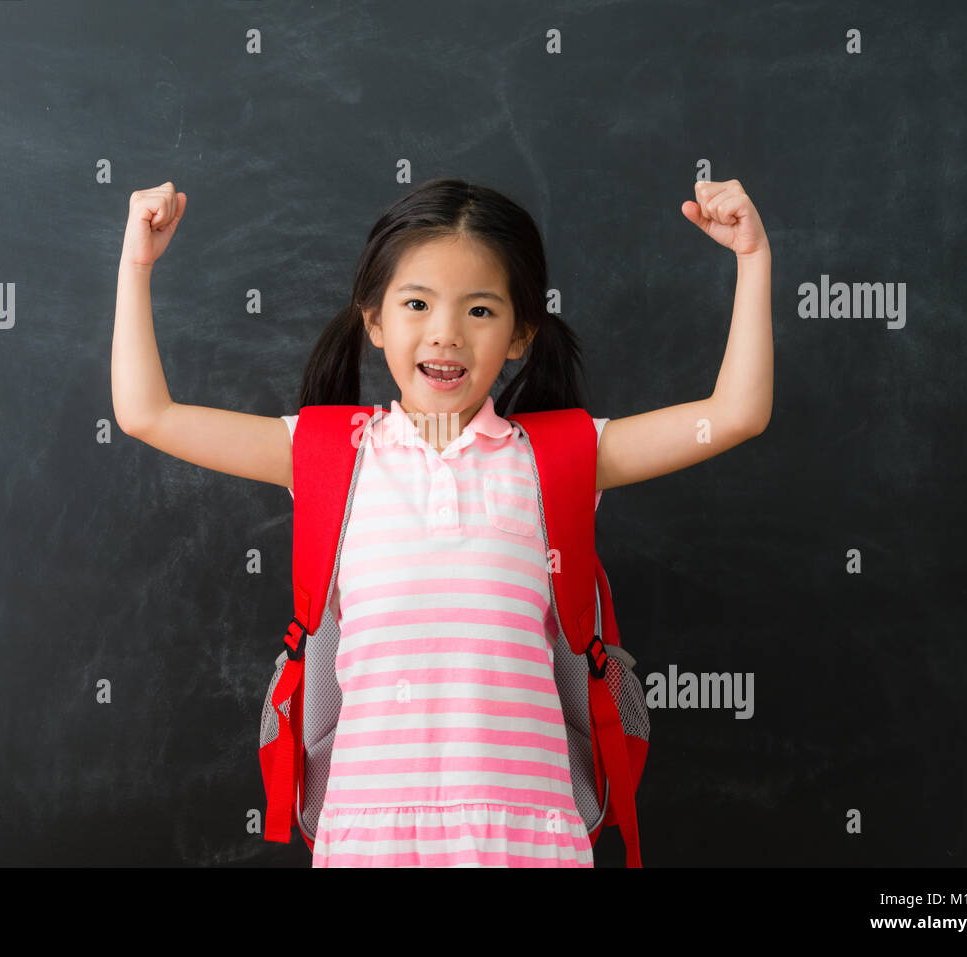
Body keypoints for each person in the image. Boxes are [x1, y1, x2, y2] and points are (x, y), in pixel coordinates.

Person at [111, 176, 773, 866]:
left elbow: (735, 414)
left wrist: (752, 260)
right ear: (373, 319)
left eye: (480, 310)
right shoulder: (324, 454)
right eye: (417, 302)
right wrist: (136, 265)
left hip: (527, 837)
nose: (446, 333)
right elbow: (145, 413)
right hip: (368, 836)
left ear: (521, 333)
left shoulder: (561, 458)